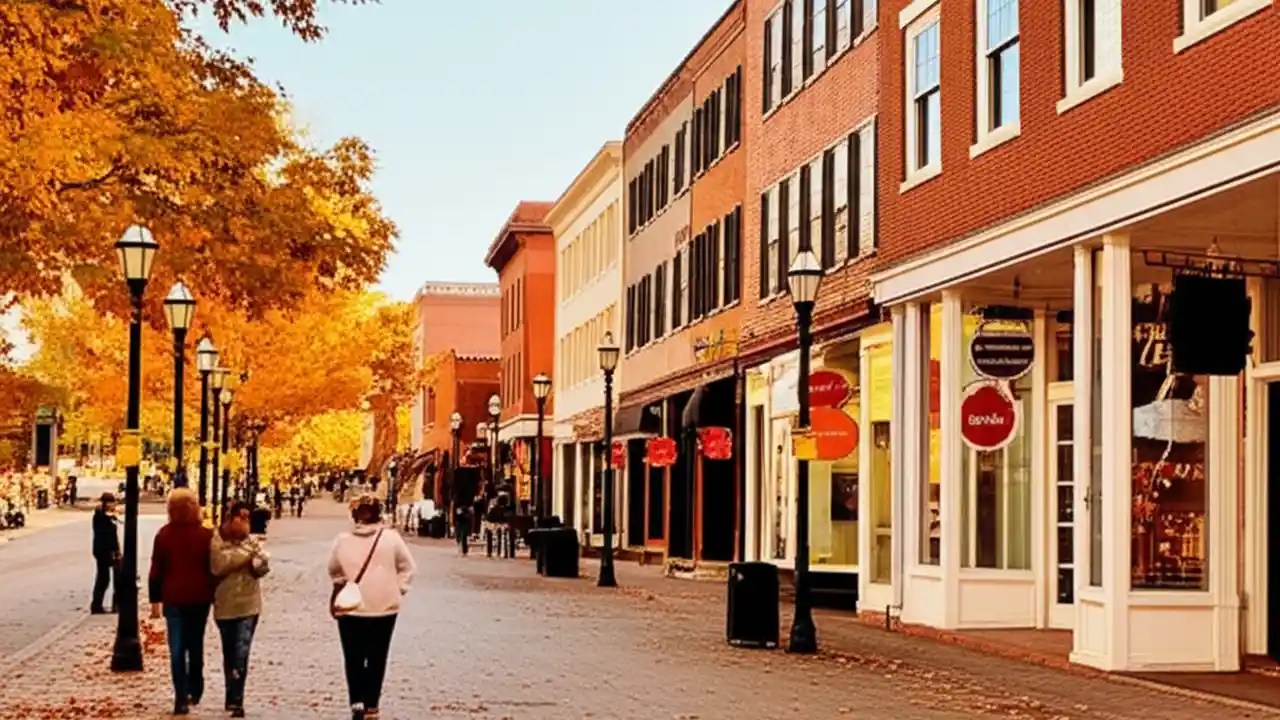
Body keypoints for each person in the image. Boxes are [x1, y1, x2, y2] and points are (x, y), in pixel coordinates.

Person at [327, 495, 415, 720]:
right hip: (384, 607)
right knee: (377, 656)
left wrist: (342, 586)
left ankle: (357, 700)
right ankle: (372, 705)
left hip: (351, 606)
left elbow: (334, 571)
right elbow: (408, 568)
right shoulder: (391, 539)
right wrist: (397, 588)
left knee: (353, 656)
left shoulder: (342, 540)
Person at [148, 488, 215, 716]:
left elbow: (156, 570)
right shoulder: (206, 536)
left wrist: (155, 600)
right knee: (195, 644)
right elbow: (213, 569)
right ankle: (195, 684)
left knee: (177, 648)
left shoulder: (164, 535)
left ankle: (180, 697)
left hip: (173, 598)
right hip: (199, 598)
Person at [211, 501, 269, 718]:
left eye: (248, 517)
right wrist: (246, 556)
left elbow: (262, 567)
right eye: (241, 516)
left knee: (242, 650)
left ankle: (238, 700)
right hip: (225, 604)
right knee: (230, 651)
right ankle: (231, 691)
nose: (245, 521)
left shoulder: (252, 541)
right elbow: (219, 565)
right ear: (231, 517)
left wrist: (260, 563)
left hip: (249, 604)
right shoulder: (217, 541)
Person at [90, 492, 120, 614]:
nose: (113, 505)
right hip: (104, 551)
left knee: (113, 578)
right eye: (111, 502)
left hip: (108, 550)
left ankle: (112, 605)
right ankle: (97, 605)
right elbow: (107, 535)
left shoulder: (107, 516)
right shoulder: (101, 516)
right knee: (104, 578)